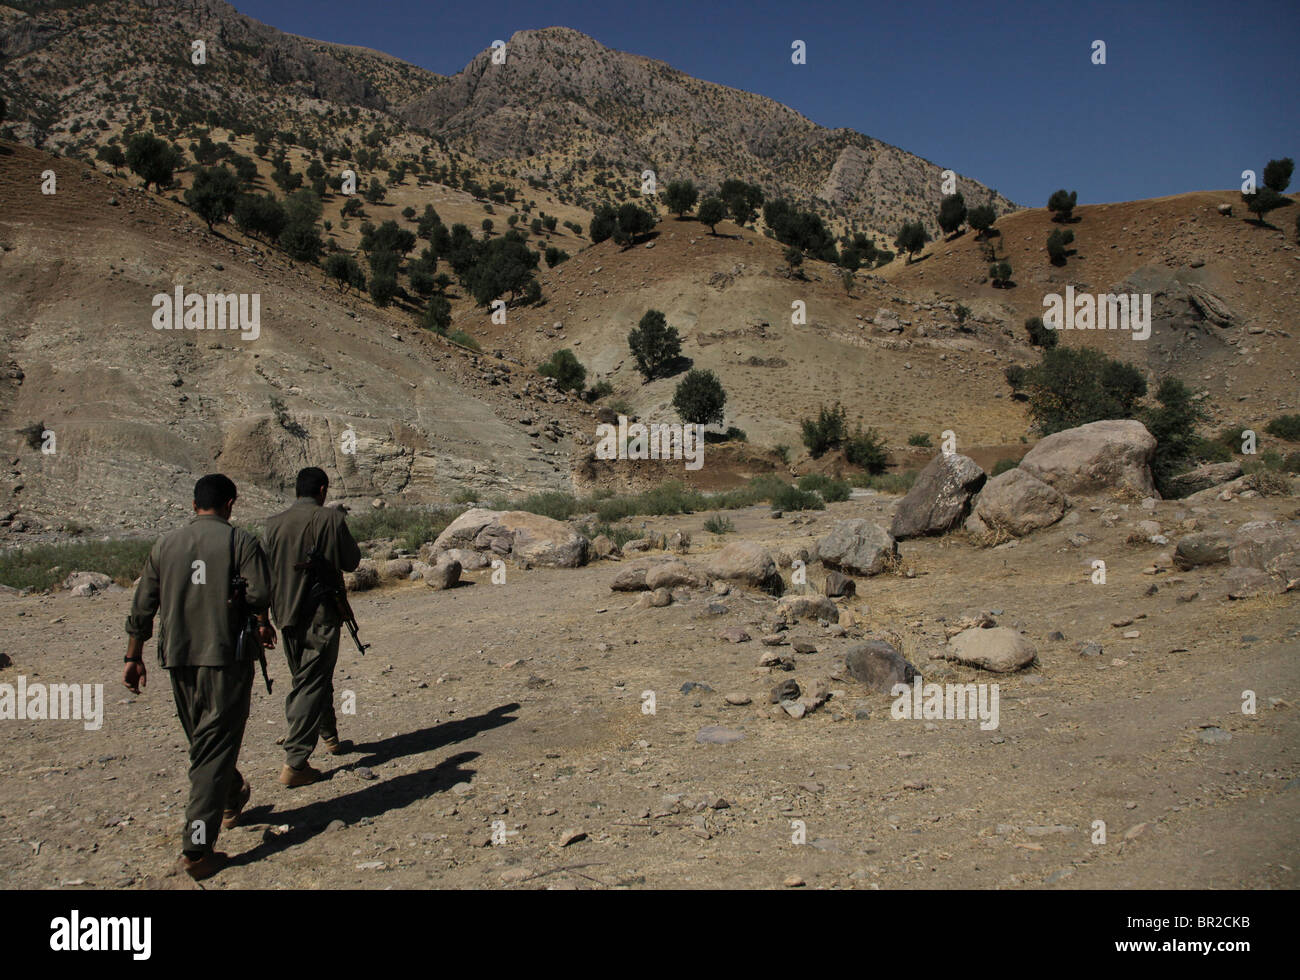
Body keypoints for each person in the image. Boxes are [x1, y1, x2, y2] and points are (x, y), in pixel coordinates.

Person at [123, 473, 275, 881]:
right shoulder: (239, 541)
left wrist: (132, 656)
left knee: (204, 740)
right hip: (224, 657)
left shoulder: (164, 545)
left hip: (177, 659)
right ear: (231, 504)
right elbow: (261, 594)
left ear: (194, 506)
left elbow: (143, 606)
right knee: (213, 747)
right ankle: (197, 848)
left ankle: (229, 795)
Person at [263, 467, 360, 787]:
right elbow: (351, 561)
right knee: (310, 682)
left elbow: (263, 577)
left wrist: (263, 619)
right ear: (322, 489)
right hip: (321, 613)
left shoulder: (272, 525)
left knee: (310, 677)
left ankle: (329, 735)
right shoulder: (331, 519)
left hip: (285, 615)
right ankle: (295, 761)